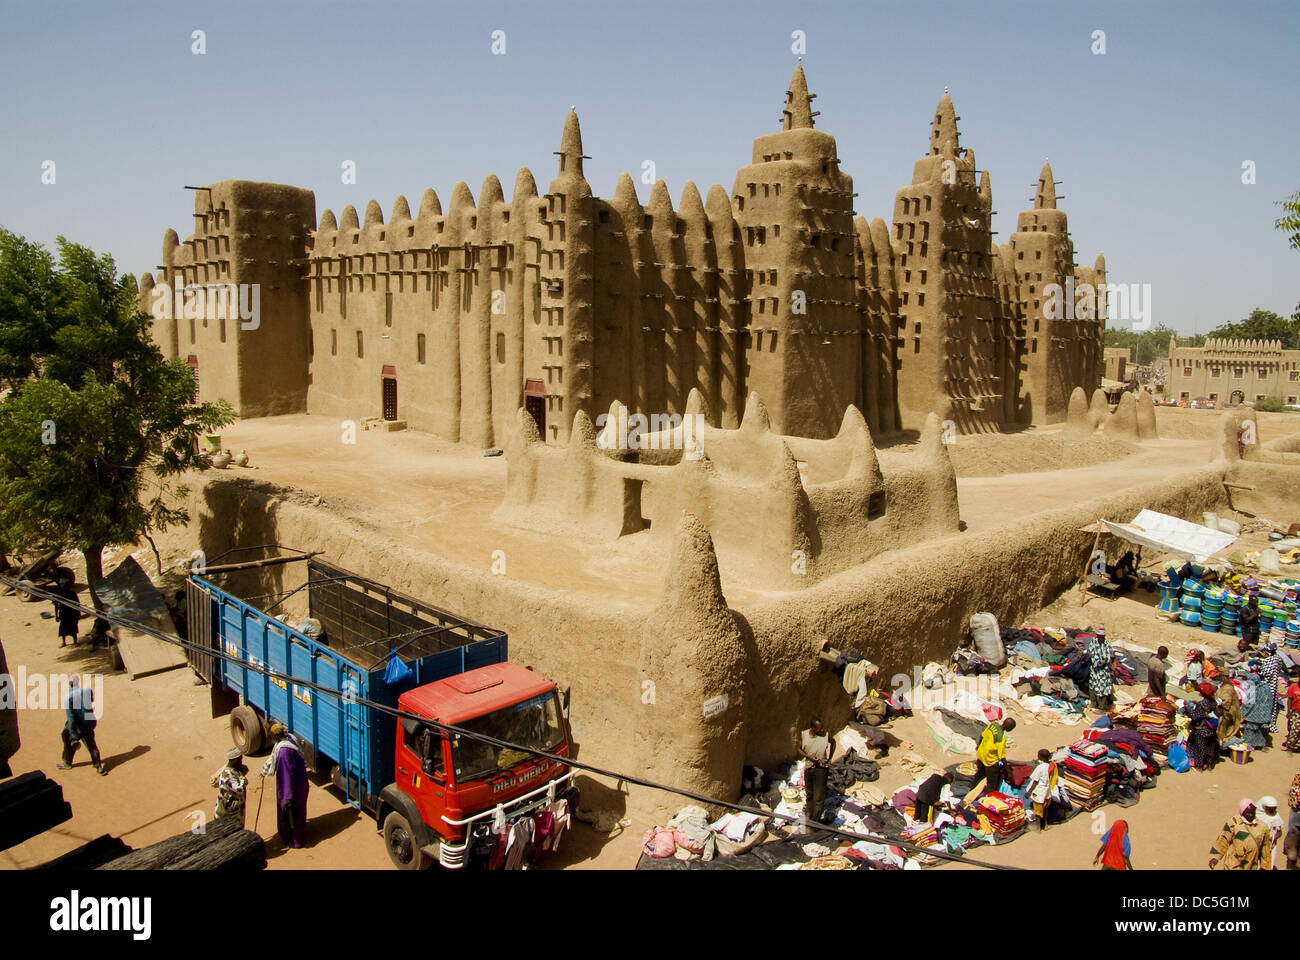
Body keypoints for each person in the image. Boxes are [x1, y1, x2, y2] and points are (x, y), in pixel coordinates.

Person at [261, 723, 308, 848]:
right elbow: (273, 756)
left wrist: (287, 797)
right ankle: (297, 836)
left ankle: (293, 840)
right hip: (301, 783)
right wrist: (264, 771)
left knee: (290, 814)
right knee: (300, 812)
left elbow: (286, 774)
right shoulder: (290, 739)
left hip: (291, 787)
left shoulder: (283, 752)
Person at [55, 676, 105, 775]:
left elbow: (71, 718)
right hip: (89, 722)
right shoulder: (87, 690)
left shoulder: (67, 697)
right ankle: (98, 766)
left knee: (66, 735)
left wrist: (73, 734)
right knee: (92, 745)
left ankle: (67, 762)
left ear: (70, 684)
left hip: (78, 726)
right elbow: (91, 700)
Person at [1208, 799, 1273, 870]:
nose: (1251, 815)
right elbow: (1223, 840)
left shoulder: (1262, 827)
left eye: (1252, 813)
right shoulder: (1234, 823)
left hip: (1251, 864)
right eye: (1248, 813)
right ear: (1242, 812)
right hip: (1233, 864)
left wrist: (1265, 866)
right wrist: (1215, 858)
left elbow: (1266, 848)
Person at [797, 717, 831, 825]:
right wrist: (808, 756)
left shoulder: (826, 735)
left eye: (822, 728)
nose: (822, 730)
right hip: (809, 768)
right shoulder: (804, 735)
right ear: (812, 728)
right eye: (819, 728)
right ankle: (809, 818)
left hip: (821, 769)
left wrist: (829, 758)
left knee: (818, 798)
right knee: (810, 795)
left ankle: (814, 824)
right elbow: (798, 748)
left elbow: (833, 743)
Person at [974, 716, 1015, 794]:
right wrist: (1008, 771)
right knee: (992, 783)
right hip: (989, 760)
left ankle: (972, 790)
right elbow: (1002, 757)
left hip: (981, 754)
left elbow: (982, 735)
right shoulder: (1001, 738)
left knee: (979, 775)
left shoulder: (992, 725)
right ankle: (986, 799)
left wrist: (978, 745)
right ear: (1009, 729)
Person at [211, 748, 249, 827]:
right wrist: (243, 779)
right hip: (229, 806)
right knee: (229, 826)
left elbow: (245, 770)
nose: (241, 761)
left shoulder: (233, 768)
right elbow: (239, 789)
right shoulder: (227, 775)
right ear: (233, 760)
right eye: (239, 759)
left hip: (235, 804)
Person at [1024, 748, 1058, 831]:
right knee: (1045, 809)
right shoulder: (1051, 766)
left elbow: (1035, 781)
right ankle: (1045, 825)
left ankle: (1038, 827)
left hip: (1039, 791)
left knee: (1038, 811)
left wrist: (1029, 792)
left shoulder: (1040, 768)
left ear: (1041, 757)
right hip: (1047, 791)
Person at [1185, 697, 1219, 770]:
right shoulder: (1213, 705)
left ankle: (1200, 765)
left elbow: (1194, 722)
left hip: (1202, 733)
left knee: (1200, 749)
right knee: (1210, 748)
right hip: (1211, 732)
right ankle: (1208, 764)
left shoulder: (1199, 711)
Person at [1086, 629, 1114, 711]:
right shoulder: (1094, 642)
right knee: (1093, 685)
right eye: (1099, 637)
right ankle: (1094, 703)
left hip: (1103, 670)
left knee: (1103, 688)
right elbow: (1090, 651)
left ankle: (1102, 707)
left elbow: (1107, 658)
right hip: (1094, 669)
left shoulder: (1106, 644)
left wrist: (1099, 662)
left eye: (1102, 637)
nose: (1100, 638)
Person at [51, 577, 81, 647]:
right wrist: (57, 616)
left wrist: (78, 613)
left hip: (70, 613)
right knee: (64, 628)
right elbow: (56, 605)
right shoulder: (60, 594)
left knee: (72, 627)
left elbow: (77, 604)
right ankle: (65, 642)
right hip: (64, 613)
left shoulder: (70, 593)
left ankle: (74, 642)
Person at [1257, 796, 1284, 869]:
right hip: (1256, 845)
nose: (1272, 810)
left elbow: (1279, 832)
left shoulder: (1276, 817)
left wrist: (1273, 837)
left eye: (1274, 808)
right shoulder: (1255, 815)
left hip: (1270, 847)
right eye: (1270, 808)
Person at [1216, 681, 1244, 746]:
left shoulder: (1226, 690)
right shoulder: (1231, 689)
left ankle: (1224, 744)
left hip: (1228, 713)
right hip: (1232, 712)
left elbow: (1225, 701)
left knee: (1224, 729)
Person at [1286, 676, 1300, 753]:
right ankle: (1290, 745)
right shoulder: (1293, 687)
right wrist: (1288, 711)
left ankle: (1295, 745)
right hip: (1295, 712)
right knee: (1294, 729)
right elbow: (1289, 699)